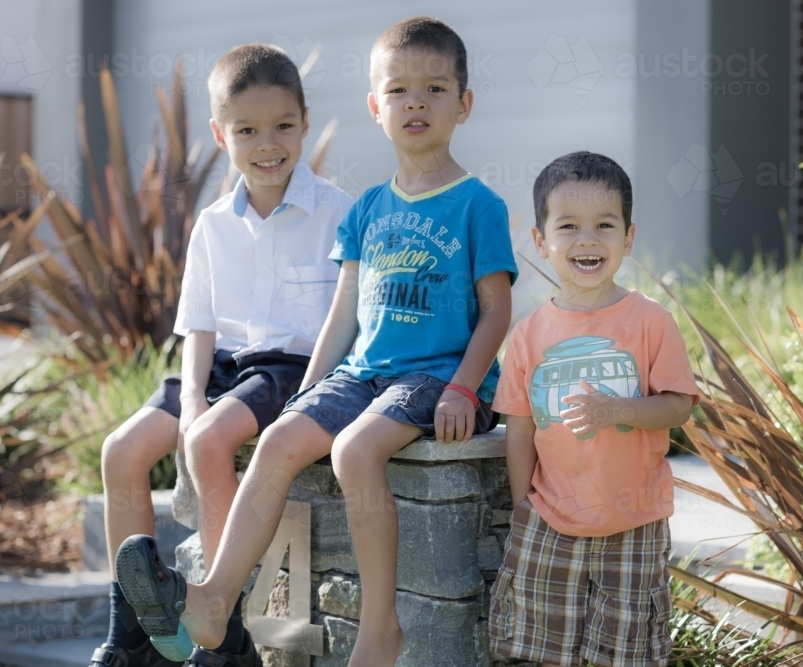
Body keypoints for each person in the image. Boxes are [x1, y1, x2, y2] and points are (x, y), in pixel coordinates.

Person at [113, 16, 517, 667]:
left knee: (355, 449)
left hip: (435, 375)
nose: (415, 102)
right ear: (374, 107)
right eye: (399, 90)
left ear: (463, 104)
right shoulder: (367, 211)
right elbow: (339, 316)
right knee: (278, 439)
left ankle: (379, 628)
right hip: (364, 373)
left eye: (435, 88)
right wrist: (306, 398)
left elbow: (497, 313)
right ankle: (214, 600)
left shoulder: (478, 205)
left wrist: (467, 386)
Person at [92, 44, 352, 667]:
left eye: (283, 126)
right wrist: (187, 402)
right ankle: (134, 633)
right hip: (219, 367)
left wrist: (203, 423)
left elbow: (340, 324)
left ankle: (224, 631)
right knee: (121, 451)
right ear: (219, 134)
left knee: (209, 442)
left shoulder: (339, 213)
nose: (269, 144)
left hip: (287, 370)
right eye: (247, 131)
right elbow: (199, 329)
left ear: (305, 121)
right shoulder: (212, 224)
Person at [488, 152, 700, 667]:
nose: (587, 240)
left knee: (625, 652)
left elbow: (678, 407)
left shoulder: (651, 322)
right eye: (568, 227)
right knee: (540, 647)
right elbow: (519, 431)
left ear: (628, 238)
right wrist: (523, 507)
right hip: (551, 519)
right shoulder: (528, 336)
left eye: (604, 225)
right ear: (542, 241)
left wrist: (616, 411)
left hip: (634, 520)